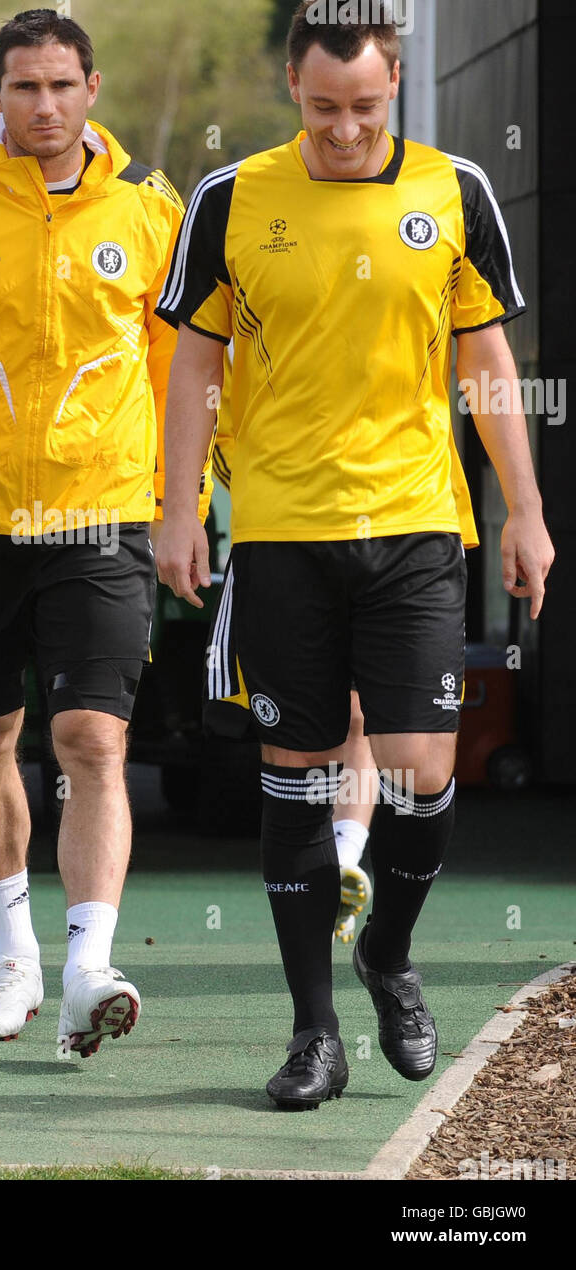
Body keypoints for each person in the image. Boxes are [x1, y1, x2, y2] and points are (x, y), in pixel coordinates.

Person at [155, 0, 553, 1109]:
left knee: (424, 771)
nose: (344, 129)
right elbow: (194, 365)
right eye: (325, 107)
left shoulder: (454, 190)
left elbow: (485, 364)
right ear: (292, 85)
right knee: (300, 771)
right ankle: (313, 1034)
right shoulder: (231, 198)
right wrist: (178, 506)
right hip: (281, 531)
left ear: (397, 89)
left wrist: (524, 508)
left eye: (366, 107)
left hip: (419, 524)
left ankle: (385, 952)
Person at [0, 9, 204, 1057]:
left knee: (93, 737)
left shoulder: (151, 208)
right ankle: (14, 955)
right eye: (24, 87)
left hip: (102, 513)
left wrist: (179, 505)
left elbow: (182, 369)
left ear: (93, 87)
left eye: (62, 85)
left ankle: (89, 963)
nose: (44, 105)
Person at [207, 342, 376, 945]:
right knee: (297, 734)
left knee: (363, 712)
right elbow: (212, 413)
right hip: (279, 529)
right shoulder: (240, 281)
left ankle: (346, 854)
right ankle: (316, 865)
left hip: (385, 519)